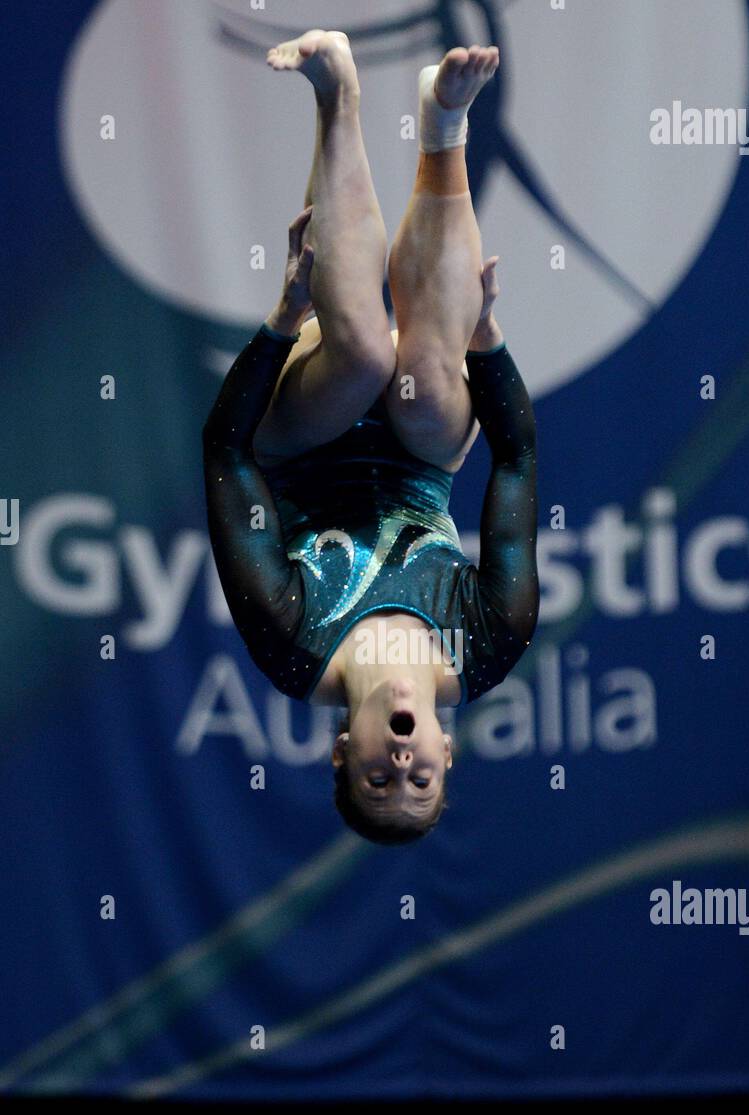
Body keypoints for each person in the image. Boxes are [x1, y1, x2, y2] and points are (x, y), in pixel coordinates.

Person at [203, 32, 538, 845]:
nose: (400, 761)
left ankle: (335, 93)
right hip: (424, 455)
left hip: (302, 438)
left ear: (340, 752)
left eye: (377, 776)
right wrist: (485, 342)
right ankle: (444, 126)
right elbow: (516, 458)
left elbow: (226, 453)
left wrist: (283, 323)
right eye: (418, 777)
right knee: (426, 365)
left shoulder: (290, 651)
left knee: (358, 354)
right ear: (445, 753)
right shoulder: (486, 646)